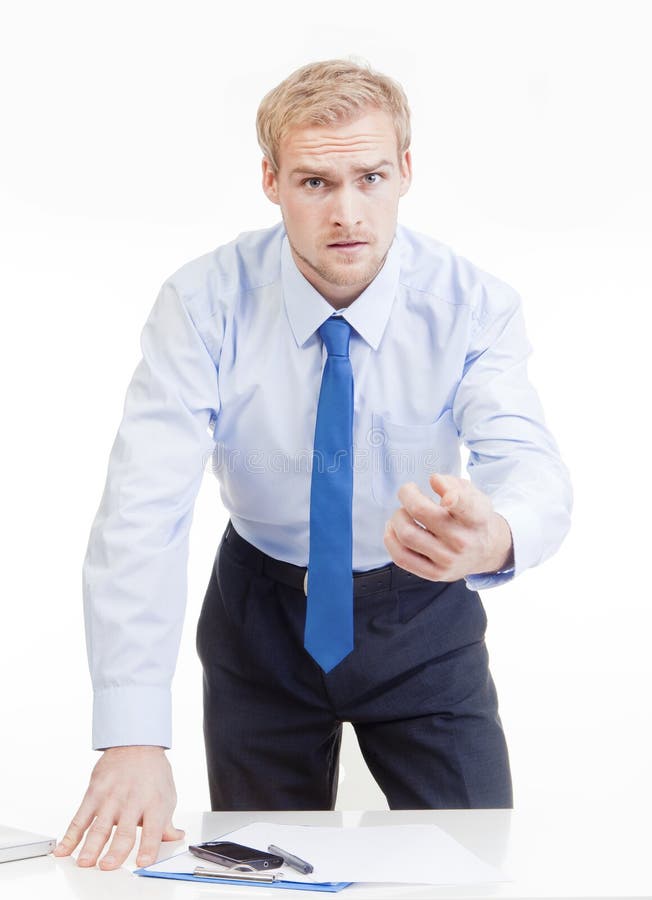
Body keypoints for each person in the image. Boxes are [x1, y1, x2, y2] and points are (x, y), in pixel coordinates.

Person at [53, 58, 572, 871]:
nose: (347, 213)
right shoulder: (204, 304)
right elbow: (142, 511)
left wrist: (497, 535)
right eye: (315, 182)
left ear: (406, 170)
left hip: (422, 615)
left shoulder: (470, 304)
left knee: (475, 868)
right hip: (260, 618)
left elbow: (528, 458)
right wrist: (132, 737)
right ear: (271, 181)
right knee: (258, 874)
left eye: (370, 177)